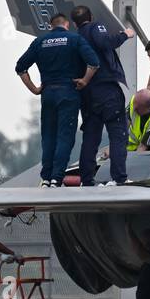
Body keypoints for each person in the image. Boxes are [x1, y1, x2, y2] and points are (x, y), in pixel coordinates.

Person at [16, 12, 100, 186]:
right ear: (67, 24)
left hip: (48, 94)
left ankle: (46, 178)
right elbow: (94, 63)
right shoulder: (75, 39)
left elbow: (20, 67)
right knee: (65, 137)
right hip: (68, 93)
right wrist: (84, 80)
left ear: (51, 25)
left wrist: (34, 89)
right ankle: (57, 178)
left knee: (48, 137)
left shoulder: (39, 42)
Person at [71, 5, 136, 186]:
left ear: (75, 24)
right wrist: (126, 34)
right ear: (90, 17)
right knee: (118, 135)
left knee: (91, 138)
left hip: (87, 95)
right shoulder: (95, 27)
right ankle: (119, 178)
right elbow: (105, 42)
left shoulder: (75, 38)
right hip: (107, 91)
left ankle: (86, 180)